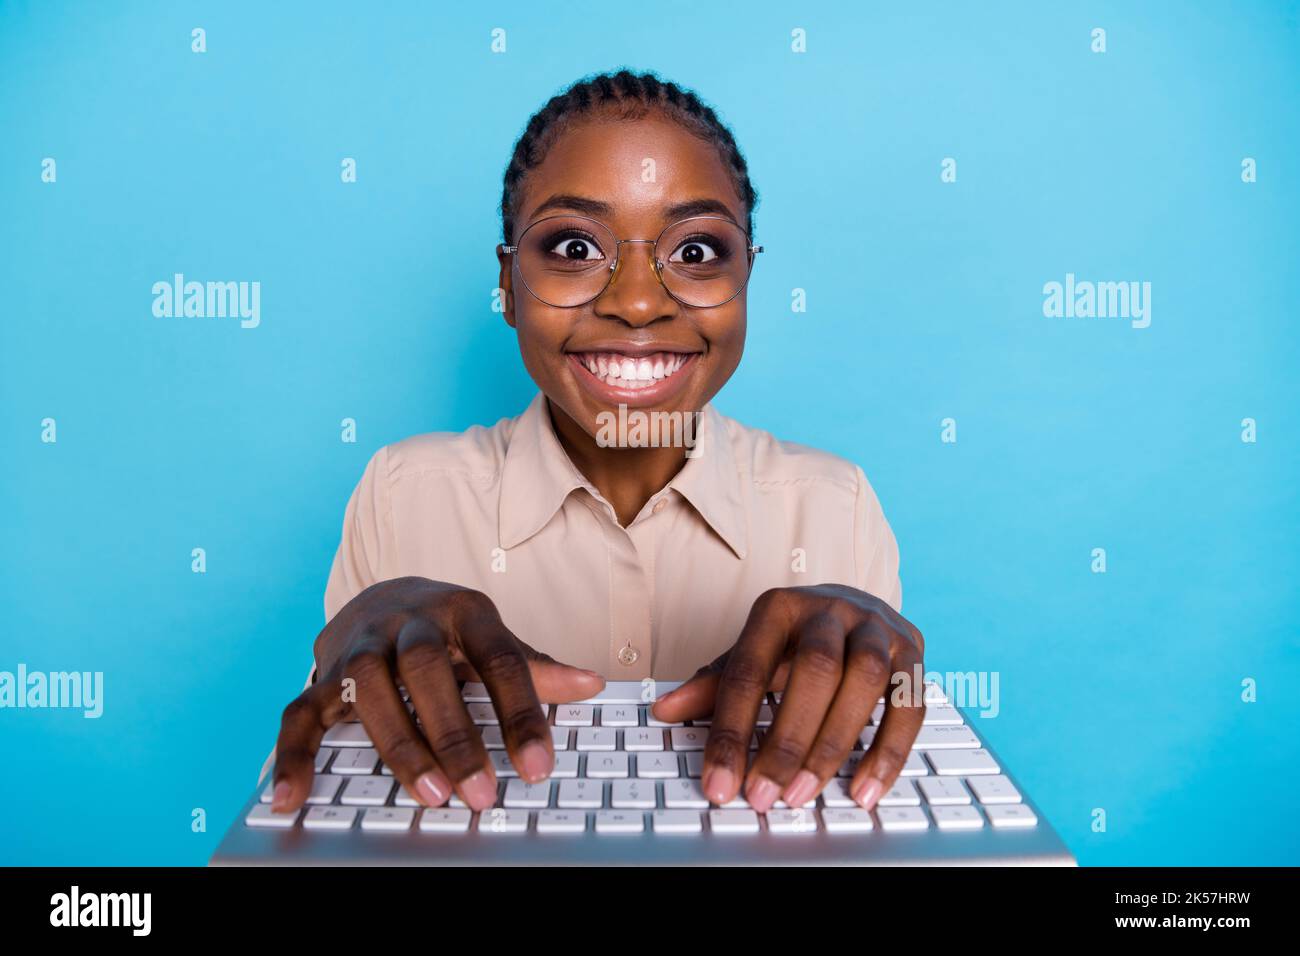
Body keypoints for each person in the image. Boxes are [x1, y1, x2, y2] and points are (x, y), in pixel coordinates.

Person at [269, 69, 926, 822]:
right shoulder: (402, 494)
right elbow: (352, 772)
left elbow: (849, 794)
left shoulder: (834, 508)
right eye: (575, 246)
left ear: (749, 277)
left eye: (699, 252)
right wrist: (352, 676)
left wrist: (887, 678)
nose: (638, 301)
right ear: (509, 285)